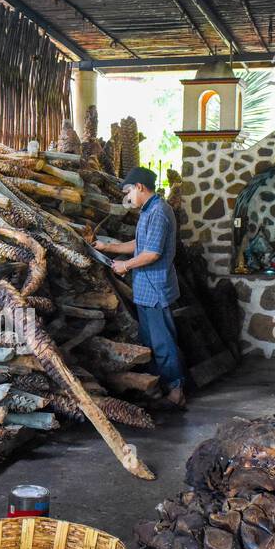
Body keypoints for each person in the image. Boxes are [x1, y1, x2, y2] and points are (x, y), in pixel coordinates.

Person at [95, 166, 186, 408]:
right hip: (146, 289)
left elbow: (152, 253)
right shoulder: (148, 211)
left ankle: (176, 391)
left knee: (162, 342)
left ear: (139, 187)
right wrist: (109, 249)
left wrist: (125, 267)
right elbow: (140, 244)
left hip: (156, 288)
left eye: (128, 191)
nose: (127, 197)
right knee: (150, 341)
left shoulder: (158, 212)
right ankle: (159, 389)